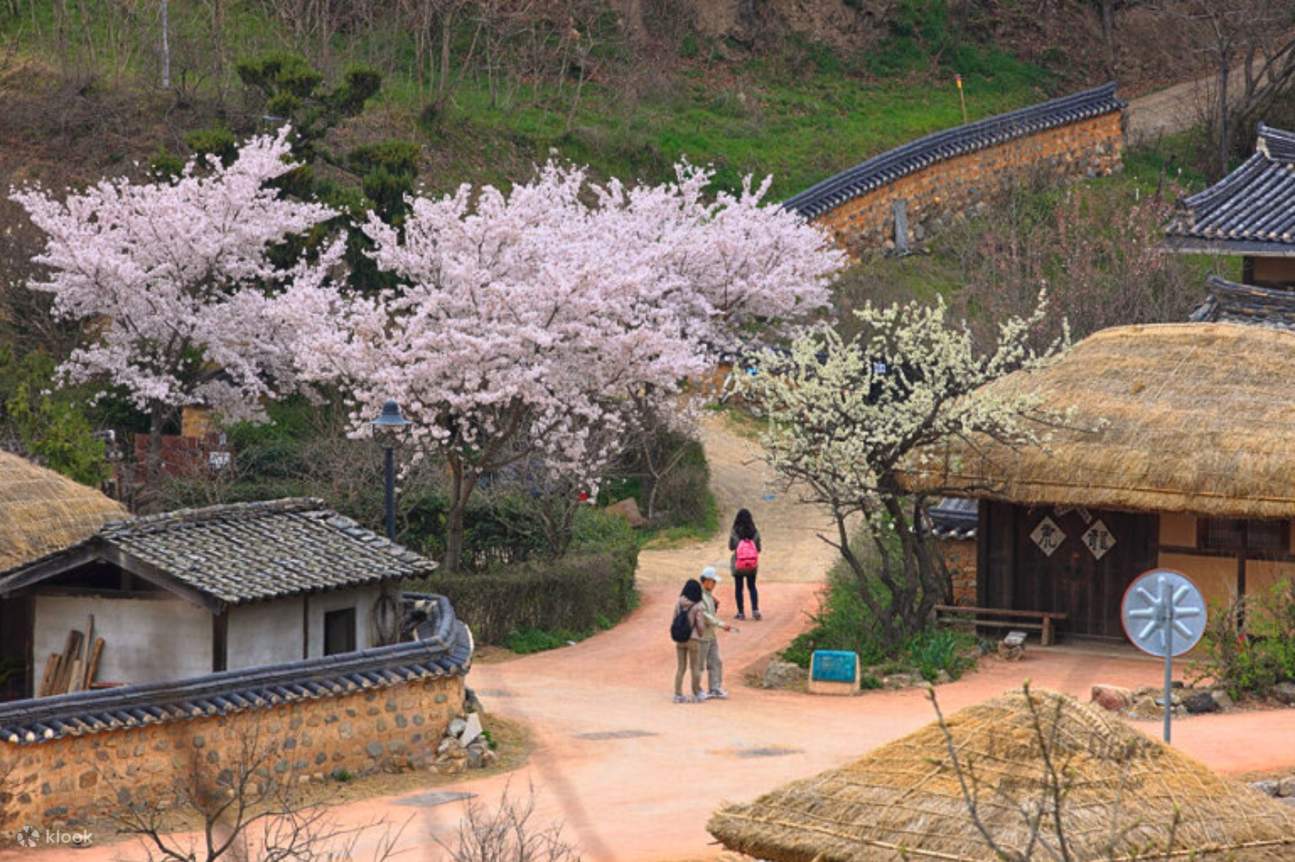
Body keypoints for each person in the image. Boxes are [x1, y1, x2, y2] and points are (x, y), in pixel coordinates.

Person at [698, 566, 738, 699]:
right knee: (699, 664)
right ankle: (696, 689)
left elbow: (710, 614)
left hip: (710, 634)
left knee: (716, 661)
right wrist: (721, 624)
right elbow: (705, 616)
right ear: (707, 581)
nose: (714, 584)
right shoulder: (699, 596)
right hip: (702, 635)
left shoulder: (709, 596)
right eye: (713, 581)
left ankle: (714, 688)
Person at [673, 579, 706, 703]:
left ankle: (678, 694)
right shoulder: (698, 606)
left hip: (680, 638)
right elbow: (700, 625)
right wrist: (700, 634)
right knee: (695, 667)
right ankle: (696, 692)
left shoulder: (678, 603)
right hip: (693, 639)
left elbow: (674, 619)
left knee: (681, 667)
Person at [728, 508, 762, 621]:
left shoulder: (735, 531)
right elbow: (758, 549)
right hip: (752, 565)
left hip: (739, 564)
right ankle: (755, 610)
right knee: (752, 587)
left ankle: (741, 613)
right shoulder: (755, 532)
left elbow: (731, 547)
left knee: (739, 588)